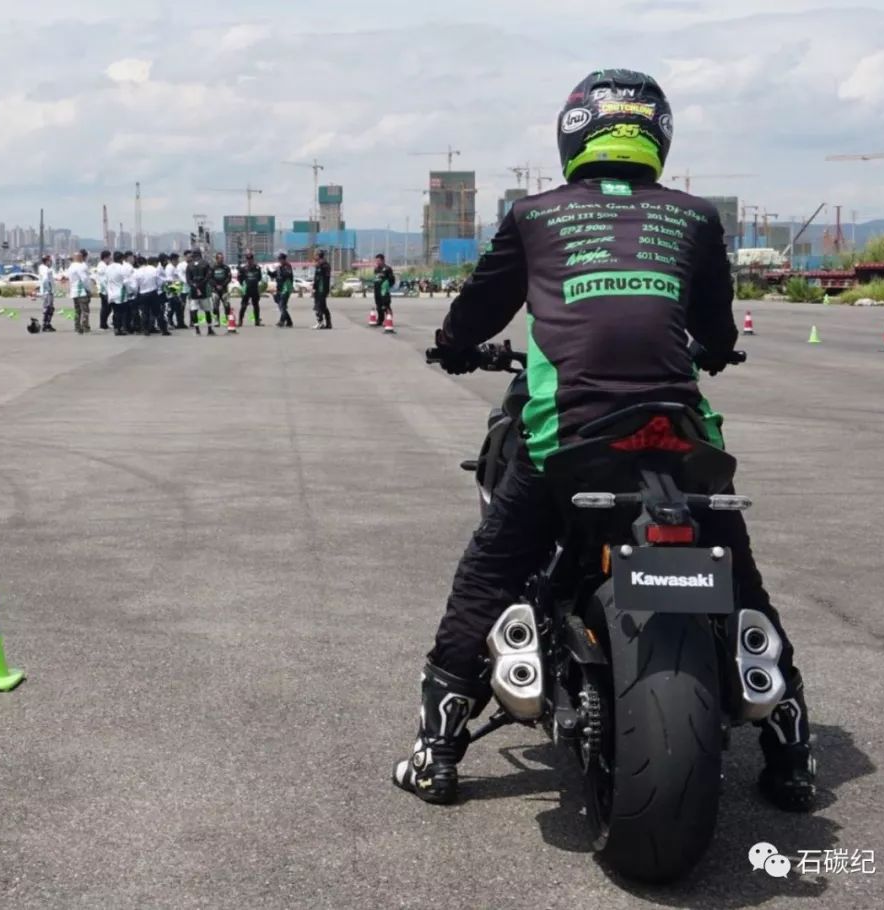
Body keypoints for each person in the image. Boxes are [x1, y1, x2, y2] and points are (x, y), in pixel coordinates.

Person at [391, 69, 816, 813]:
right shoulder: (693, 217)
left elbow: (481, 305)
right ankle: (792, 751)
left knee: (490, 572)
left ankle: (436, 753)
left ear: (573, 133)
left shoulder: (535, 214)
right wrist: (713, 350)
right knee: (743, 581)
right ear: (658, 134)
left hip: (573, 431)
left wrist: (455, 345)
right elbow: (715, 325)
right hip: (678, 431)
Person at [186, 248, 214, 335]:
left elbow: (188, 279)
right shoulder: (205, 263)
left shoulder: (189, 265)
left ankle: (197, 329)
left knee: (194, 310)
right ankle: (209, 329)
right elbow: (209, 275)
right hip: (203, 290)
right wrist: (201, 284)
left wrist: (194, 286)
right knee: (207, 310)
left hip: (194, 291)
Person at [105, 251, 130, 336]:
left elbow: (106, 280)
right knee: (122, 312)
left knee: (115, 312)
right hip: (120, 293)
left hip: (111, 293)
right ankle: (120, 328)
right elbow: (126, 281)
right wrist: (130, 291)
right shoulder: (122, 268)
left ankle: (116, 328)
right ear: (122, 259)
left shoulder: (108, 268)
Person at [67, 251, 92, 334]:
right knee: (85, 310)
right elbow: (85, 279)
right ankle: (85, 326)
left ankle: (77, 326)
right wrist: (88, 289)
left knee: (77, 310)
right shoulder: (80, 266)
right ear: (79, 258)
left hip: (74, 291)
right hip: (82, 291)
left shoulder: (70, 267)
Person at [237, 251, 264, 327]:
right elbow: (239, 278)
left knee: (256, 305)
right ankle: (240, 321)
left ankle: (257, 321)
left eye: (251, 258)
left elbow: (259, 278)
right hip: (246, 290)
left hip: (254, 289)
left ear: (253, 259)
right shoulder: (243, 269)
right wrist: (243, 285)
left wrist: (254, 282)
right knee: (243, 306)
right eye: (248, 259)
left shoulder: (257, 268)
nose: (249, 260)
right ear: (246, 259)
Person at [268, 251, 294, 327]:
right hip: (279, 288)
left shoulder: (287, 266)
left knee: (282, 304)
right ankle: (289, 321)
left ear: (284, 259)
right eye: (279, 259)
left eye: (280, 259)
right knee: (280, 304)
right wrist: (269, 272)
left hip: (286, 287)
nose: (279, 260)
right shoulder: (279, 267)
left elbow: (287, 274)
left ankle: (282, 321)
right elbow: (275, 275)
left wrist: (281, 269)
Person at [209, 252, 232, 327]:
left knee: (227, 305)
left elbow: (229, 278)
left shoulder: (226, 268)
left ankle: (227, 320)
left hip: (224, 289)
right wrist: (216, 285)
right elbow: (210, 278)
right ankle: (216, 321)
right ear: (216, 259)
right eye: (220, 258)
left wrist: (222, 285)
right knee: (215, 307)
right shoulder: (212, 268)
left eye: (222, 258)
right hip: (215, 290)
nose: (221, 260)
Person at [165, 253, 187, 328]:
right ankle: (170, 322)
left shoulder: (175, 267)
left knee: (178, 308)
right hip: (172, 290)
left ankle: (180, 323)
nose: (178, 261)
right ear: (173, 260)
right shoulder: (169, 267)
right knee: (172, 308)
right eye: (177, 259)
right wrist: (174, 293)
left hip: (177, 288)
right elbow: (169, 281)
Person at [373, 253, 395, 327]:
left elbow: (392, 280)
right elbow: (376, 279)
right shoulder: (376, 269)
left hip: (384, 291)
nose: (377, 262)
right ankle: (380, 320)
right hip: (377, 290)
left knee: (386, 306)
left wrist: (387, 287)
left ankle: (389, 320)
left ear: (383, 260)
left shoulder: (387, 269)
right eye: (376, 261)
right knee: (378, 306)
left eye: (378, 260)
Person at [312, 249, 332, 330]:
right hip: (324, 288)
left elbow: (318, 278)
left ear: (318, 255)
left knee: (318, 306)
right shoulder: (326, 264)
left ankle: (320, 322)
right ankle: (328, 323)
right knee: (323, 306)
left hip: (320, 288)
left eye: (315, 255)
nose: (314, 256)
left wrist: (314, 288)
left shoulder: (320, 265)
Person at [38, 254, 56, 332]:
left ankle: (47, 324)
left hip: (47, 291)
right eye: (50, 261)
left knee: (49, 308)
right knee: (49, 308)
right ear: (47, 261)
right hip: (47, 292)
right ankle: (45, 324)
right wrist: (48, 289)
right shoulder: (45, 269)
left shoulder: (43, 268)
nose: (51, 262)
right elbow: (45, 280)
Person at [96, 250, 112, 330]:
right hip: (104, 290)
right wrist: (107, 290)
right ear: (106, 257)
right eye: (109, 257)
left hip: (104, 290)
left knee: (107, 307)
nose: (110, 259)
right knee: (106, 307)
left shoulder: (103, 265)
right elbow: (103, 280)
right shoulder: (102, 266)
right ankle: (103, 324)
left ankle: (104, 323)